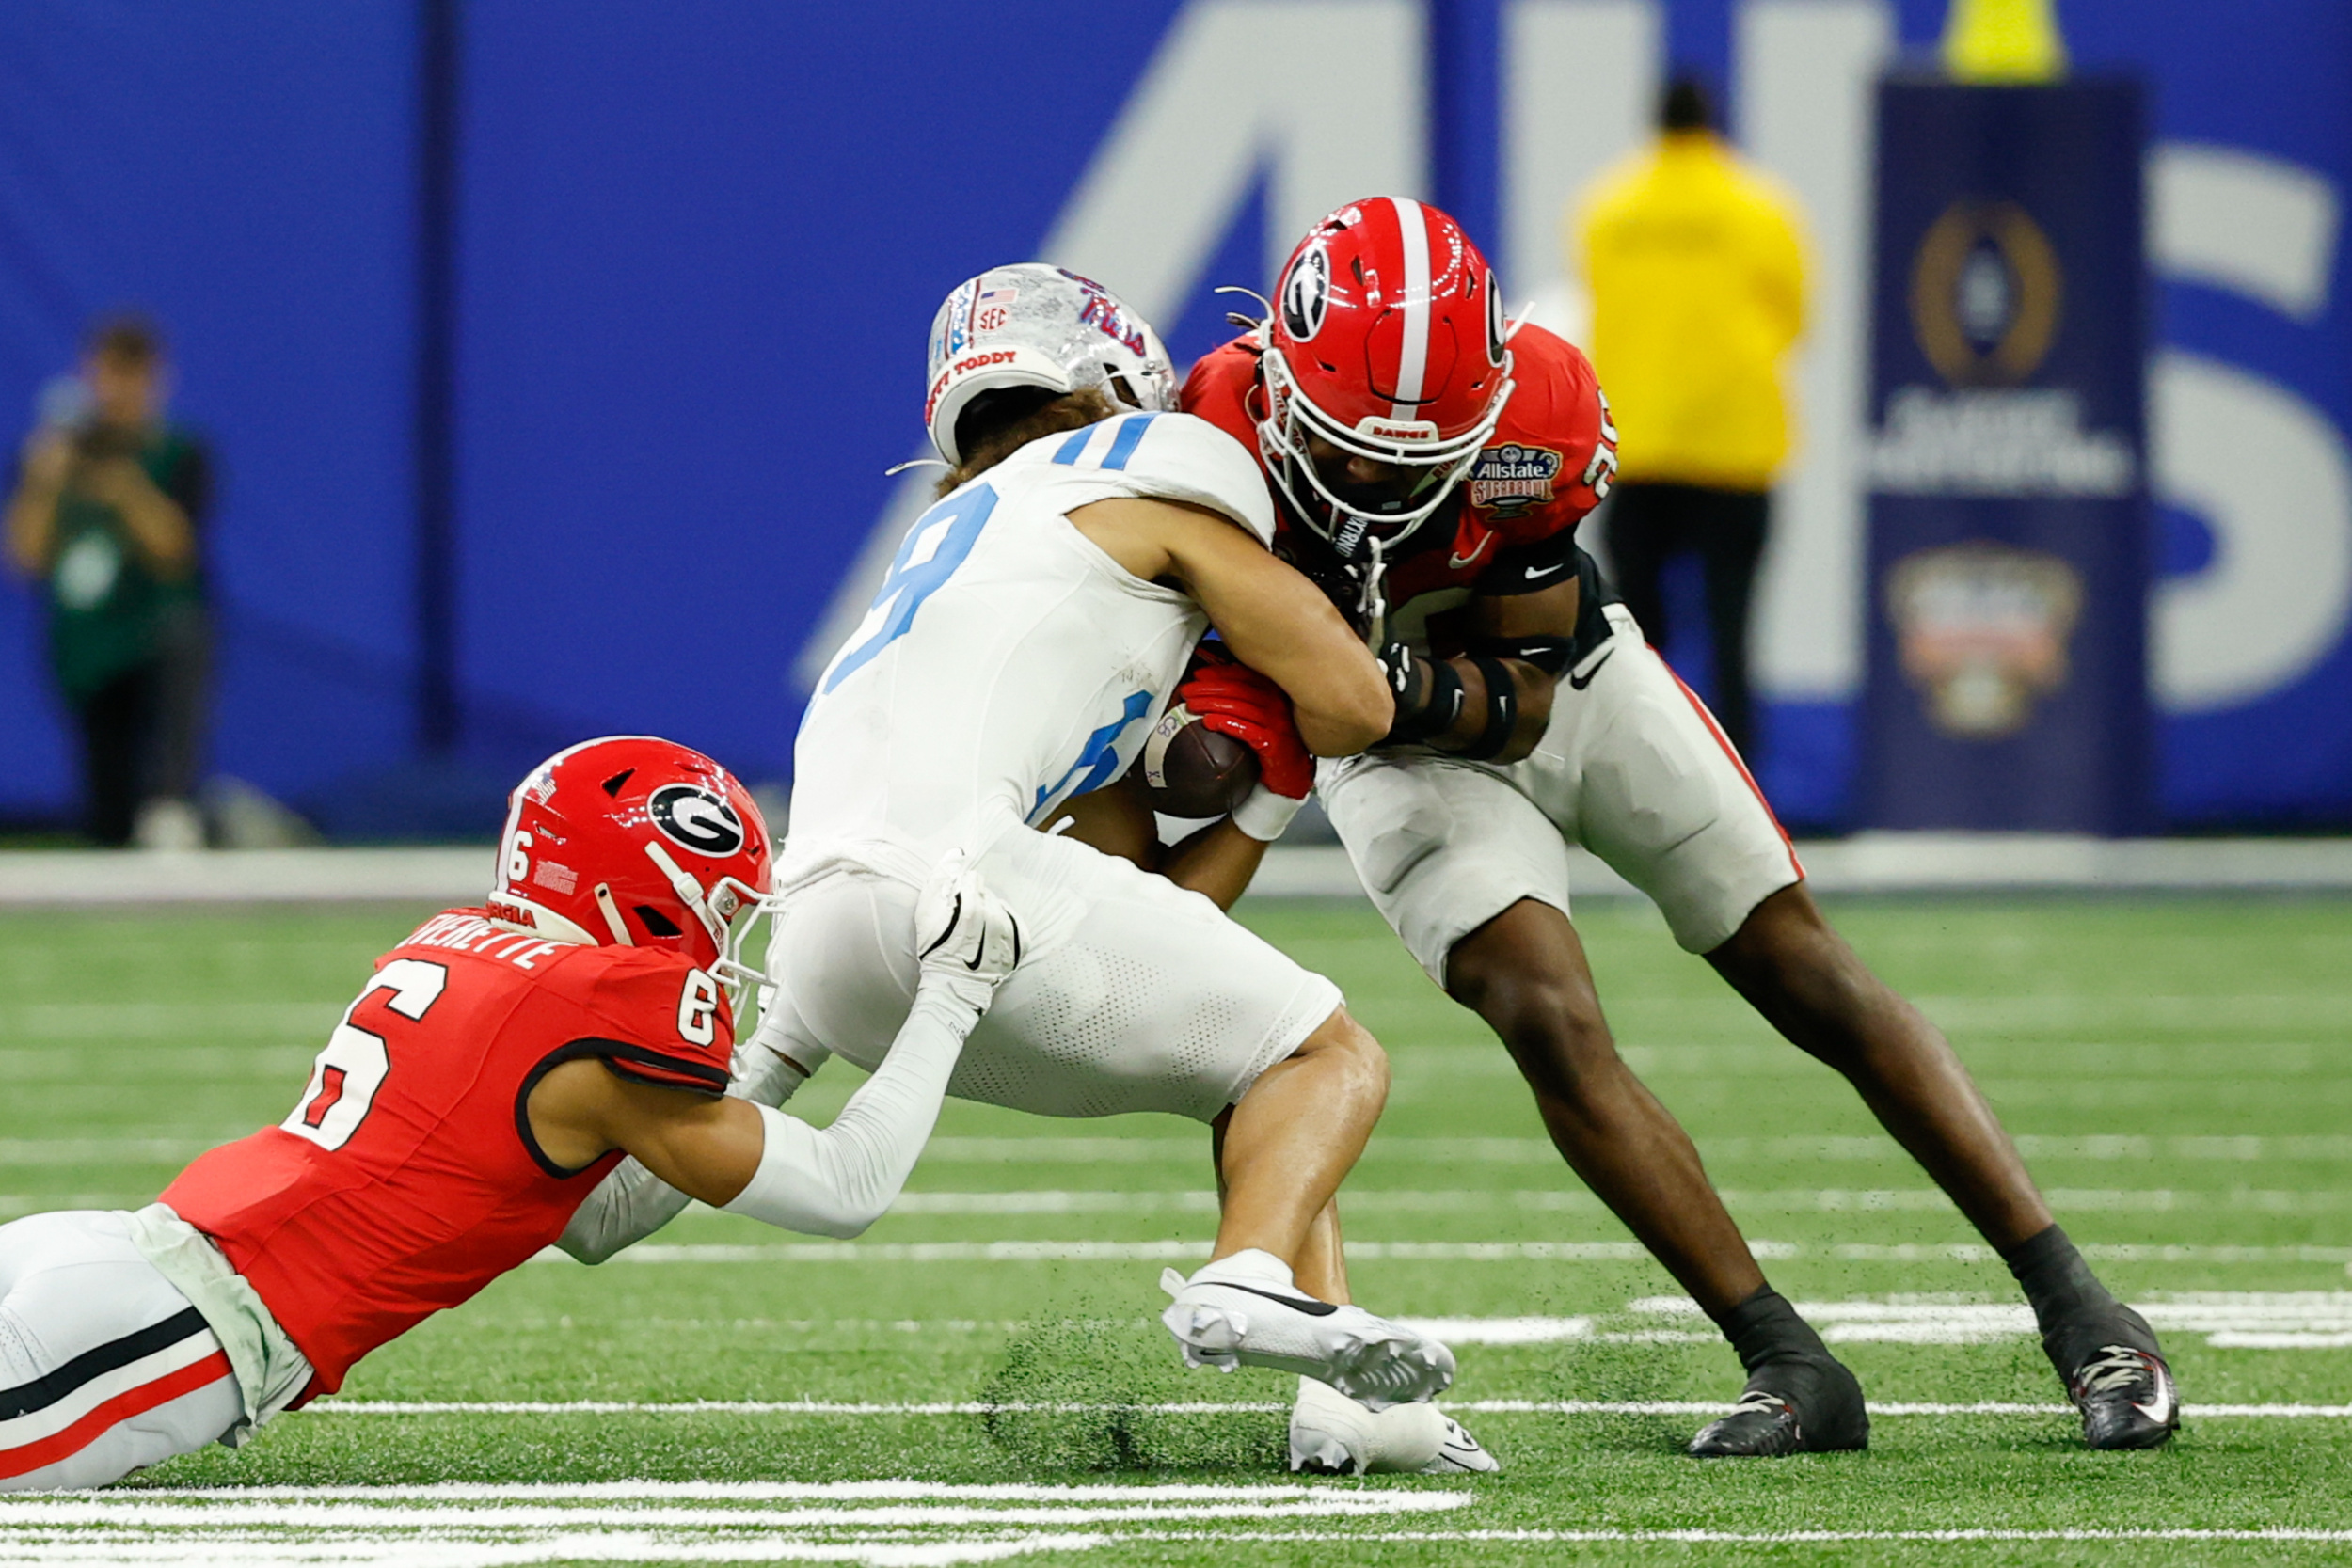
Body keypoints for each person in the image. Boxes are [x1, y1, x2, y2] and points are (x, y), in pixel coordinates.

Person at [1180, 196, 2178, 1454]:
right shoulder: (1204, 435)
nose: (1379, 481)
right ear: (1281, 380)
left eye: (1418, 456)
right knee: (1543, 1009)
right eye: (1352, 449)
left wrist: (1380, 686)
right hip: (1386, 755)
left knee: (1798, 963)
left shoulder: (1534, 412)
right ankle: (1789, 1359)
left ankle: (2088, 1313)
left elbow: (1525, 693)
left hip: (1562, 685)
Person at [572, 265, 1482, 1472]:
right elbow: (1357, 700)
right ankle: (1244, 1275)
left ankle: (1350, 1408)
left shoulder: (957, 543)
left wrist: (1262, 795)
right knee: (1332, 1055)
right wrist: (1288, 740)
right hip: (945, 892)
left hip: (816, 940)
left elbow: (1151, 908)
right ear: (1112, 385)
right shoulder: (1149, 479)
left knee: (1255, 1063)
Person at [0, 736, 1022, 1490]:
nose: (721, 942)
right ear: (646, 883)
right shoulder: (592, 1007)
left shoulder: (462, 949)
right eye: (719, 907)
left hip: (110, 1255)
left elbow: (594, 1214)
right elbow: (848, 1186)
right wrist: (951, 996)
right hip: (177, 1323)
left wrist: (790, 1041)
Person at [1571, 76, 1805, 759]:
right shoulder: (1762, 208)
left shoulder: (1607, 209)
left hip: (1639, 453)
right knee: (1734, 636)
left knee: (1634, 645)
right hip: (1735, 452)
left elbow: (1594, 303)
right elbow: (1794, 318)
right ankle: (1743, 800)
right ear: (1715, 122)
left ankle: (1638, 782)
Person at [3, 315, 213, 847]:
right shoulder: (55, 459)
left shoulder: (178, 454)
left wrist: (125, 488)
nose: (118, 391)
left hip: (153, 635)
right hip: (89, 649)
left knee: (184, 643)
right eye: (108, 374)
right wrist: (43, 482)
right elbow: (25, 557)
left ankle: (172, 802)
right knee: (109, 812)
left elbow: (176, 551)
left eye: (133, 375)